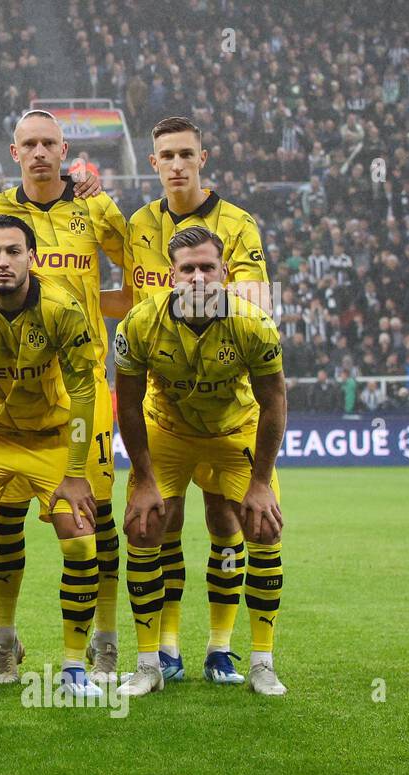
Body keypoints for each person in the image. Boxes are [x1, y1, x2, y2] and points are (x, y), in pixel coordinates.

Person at [0, 109, 130, 686]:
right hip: (11, 389)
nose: (40, 152)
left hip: (82, 385)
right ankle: (6, 639)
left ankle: (106, 640)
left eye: (49, 143)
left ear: (65, 149)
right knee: (7, 517)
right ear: (13, 153)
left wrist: (97, 307)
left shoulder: (96, 206)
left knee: (97, 516)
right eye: (29, 144)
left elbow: (139, 275)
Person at [120, 116, 273, 684]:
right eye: (166, 155)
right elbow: (115, 287)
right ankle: (166, 648)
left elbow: (254, 300)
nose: (177, 164)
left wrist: (199, 294)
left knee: (225, 519)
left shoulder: (237, 223)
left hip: (225, 397)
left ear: (203, 158)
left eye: (187, 153)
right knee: (164, 516)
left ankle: (219, 647)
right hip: (164, 402)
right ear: (153, 162)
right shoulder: (138, 224)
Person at [0, 215, 104, 698]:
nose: (3, 261)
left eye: (13, 251)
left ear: (32, 257)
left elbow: (82, 394)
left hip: (51, 436)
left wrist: (76, 473)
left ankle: (74, 669)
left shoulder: (63, 308)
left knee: (79, 543)